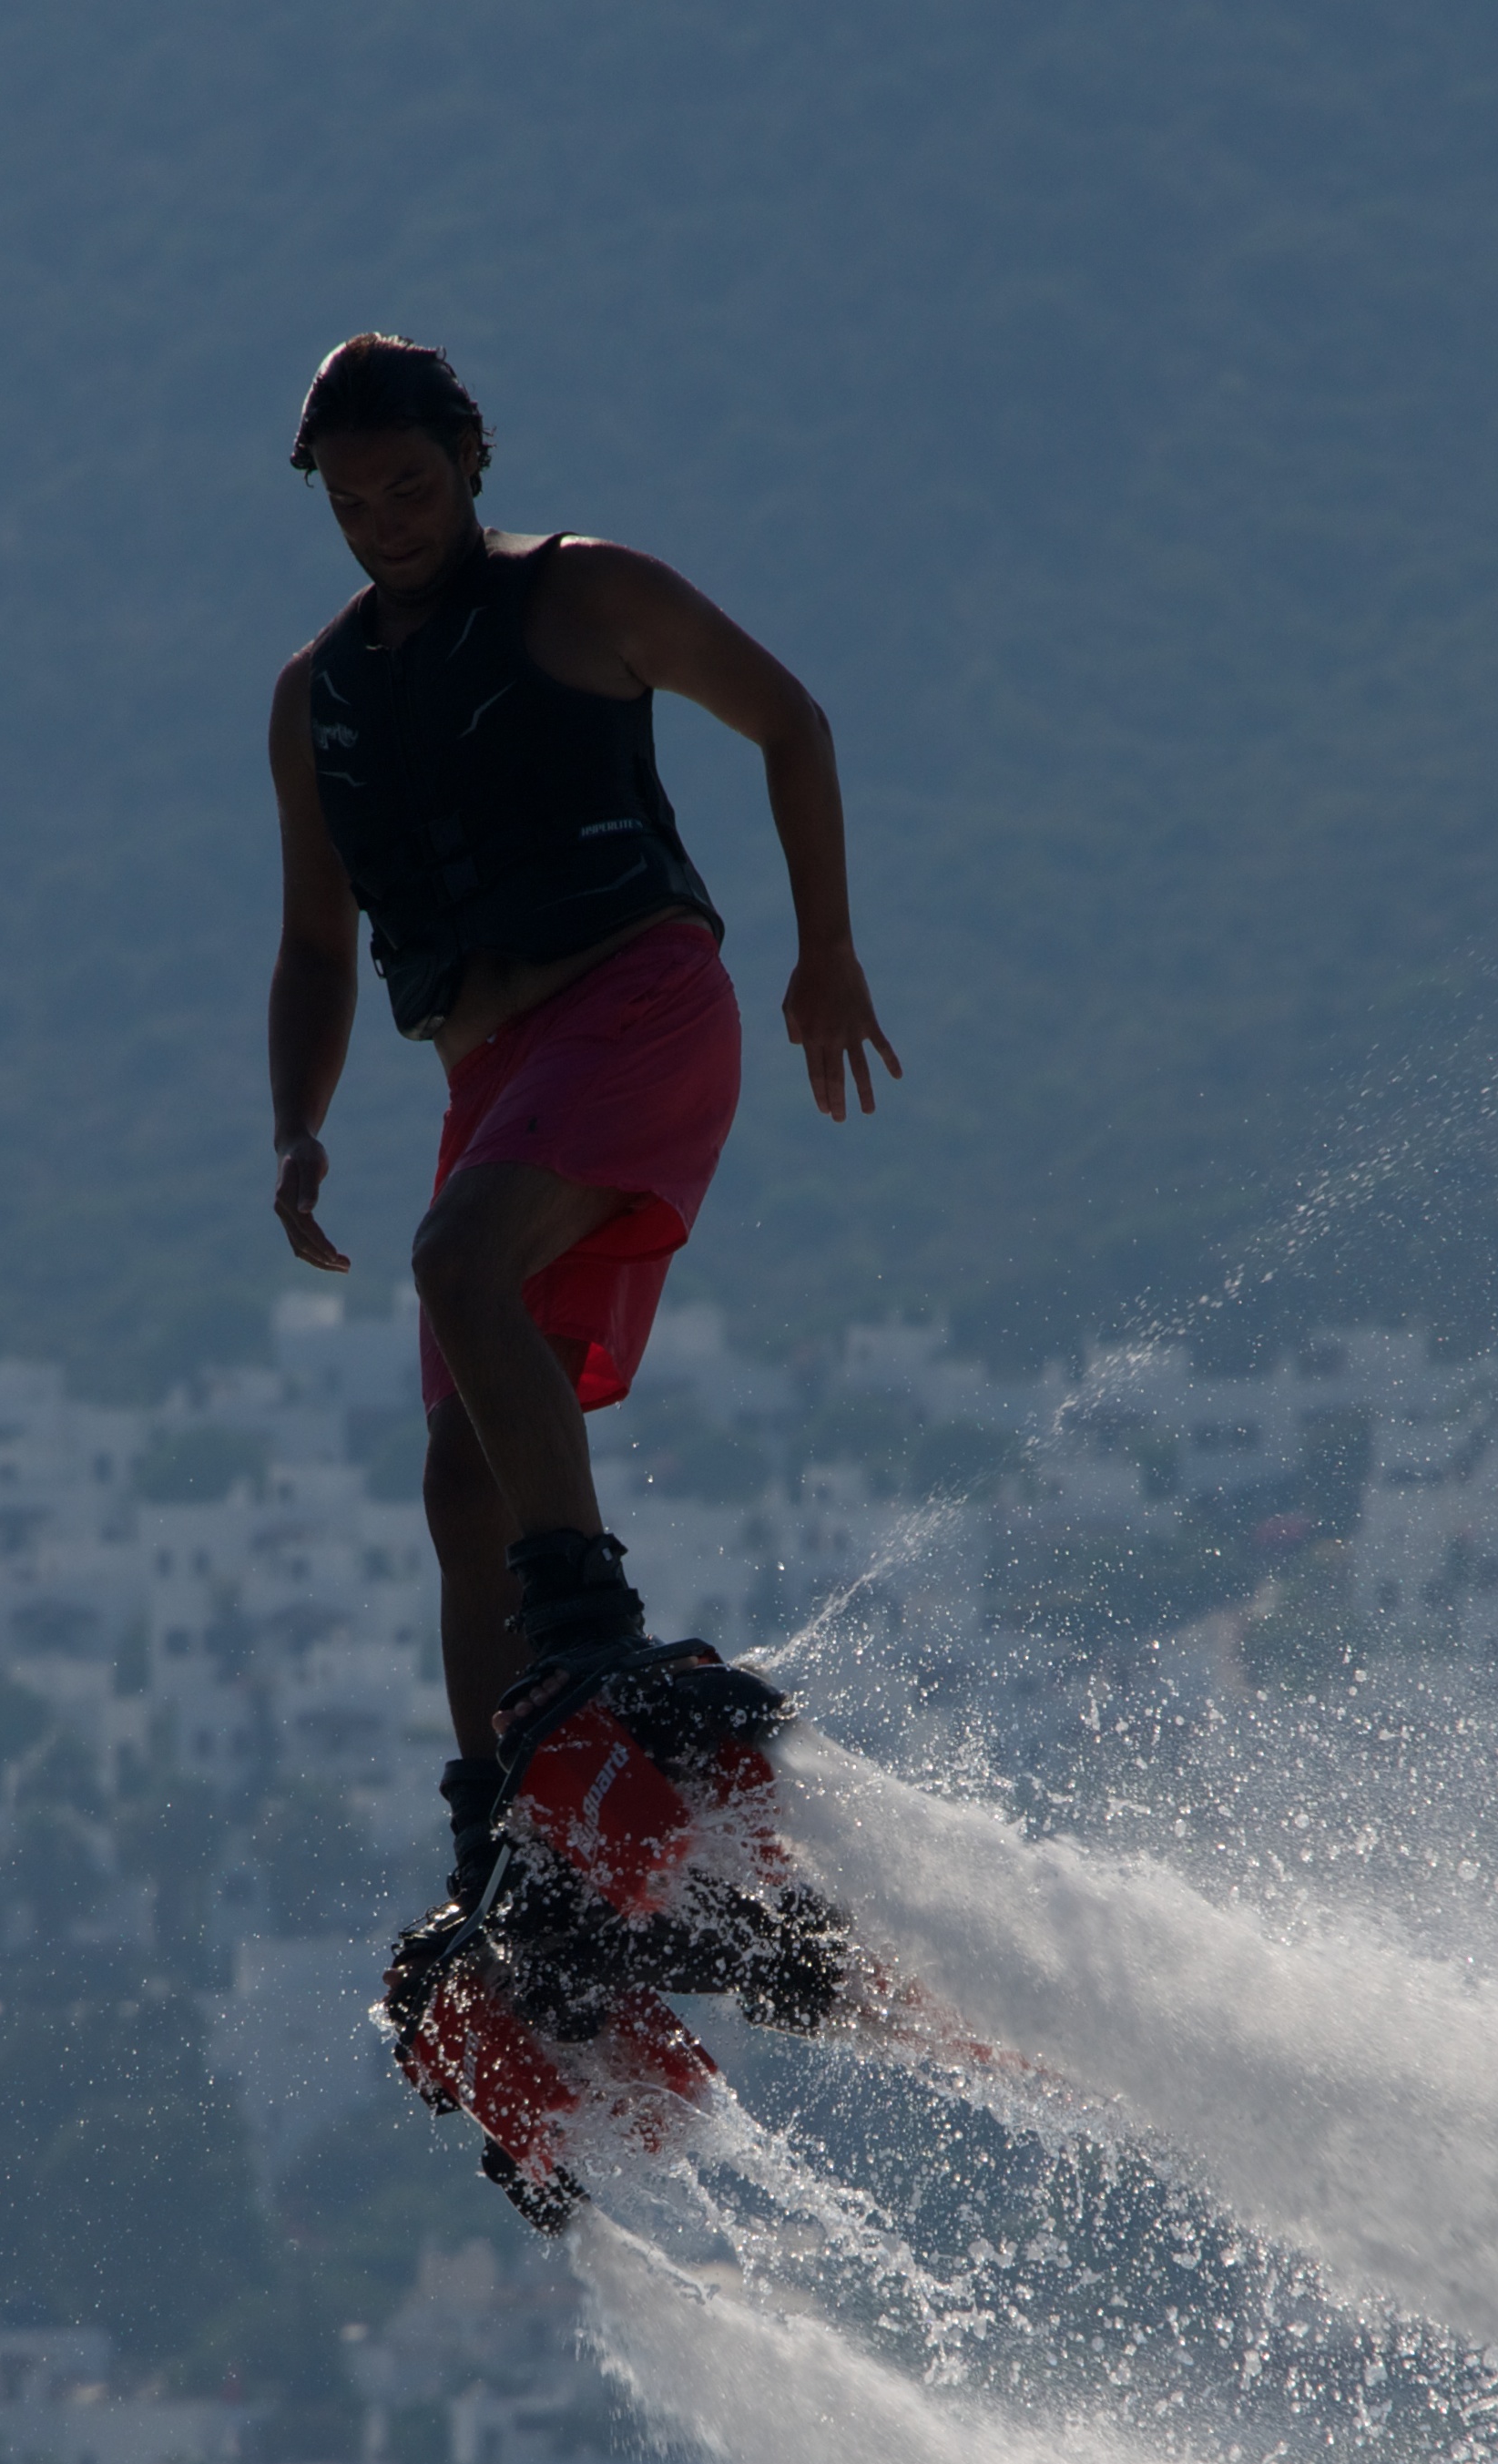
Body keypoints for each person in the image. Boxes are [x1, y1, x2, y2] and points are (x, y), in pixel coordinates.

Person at [260, 331, 898, 1989]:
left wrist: (825, 952)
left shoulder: (586, 594)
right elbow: (318, 947)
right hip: (490, 1080)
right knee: (455, 1482)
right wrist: (298, 1122)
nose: (386, 520)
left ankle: (592, 1652)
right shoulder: (314, 698)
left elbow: (790, 719)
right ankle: (511, 1857)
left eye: (411, 484)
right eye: (351, 500)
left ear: (474, 460)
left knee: (461, 1263)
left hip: (635, 1010)